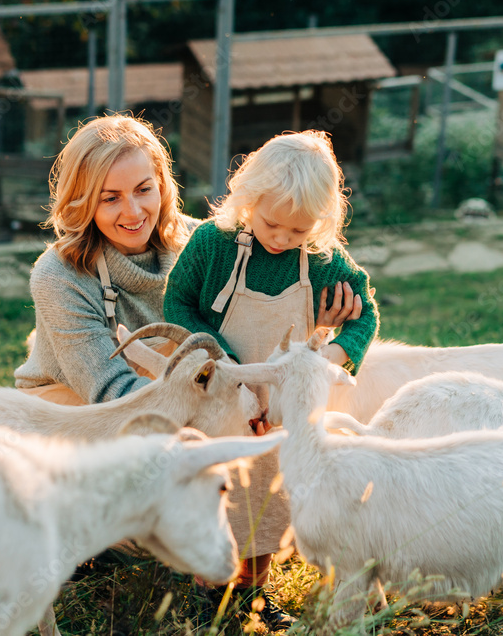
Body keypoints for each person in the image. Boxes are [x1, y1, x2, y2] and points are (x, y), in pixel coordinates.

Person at [163, 130, 380, 630]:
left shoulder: (324, 262)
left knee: (268, 495)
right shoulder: (212, 245)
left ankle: (250, 591)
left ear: (320, 224)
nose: (281, 239)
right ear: (247, 198)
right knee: (217, 490)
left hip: (282, 408)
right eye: (271, 223)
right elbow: (178, 304)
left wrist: (332, 352)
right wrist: (224, 361)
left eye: (298, 232)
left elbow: (364, 314)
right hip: (219, 389)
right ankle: (208, 588)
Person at [15, 114, 195, 404]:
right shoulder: (59, 276)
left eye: (143, 189)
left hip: (176, 398)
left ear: (161, 184)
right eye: (111, 198)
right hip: (71, 410)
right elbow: (112, 393)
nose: (134, 212)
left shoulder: (198, 243)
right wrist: (211, 407)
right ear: (82, 202)